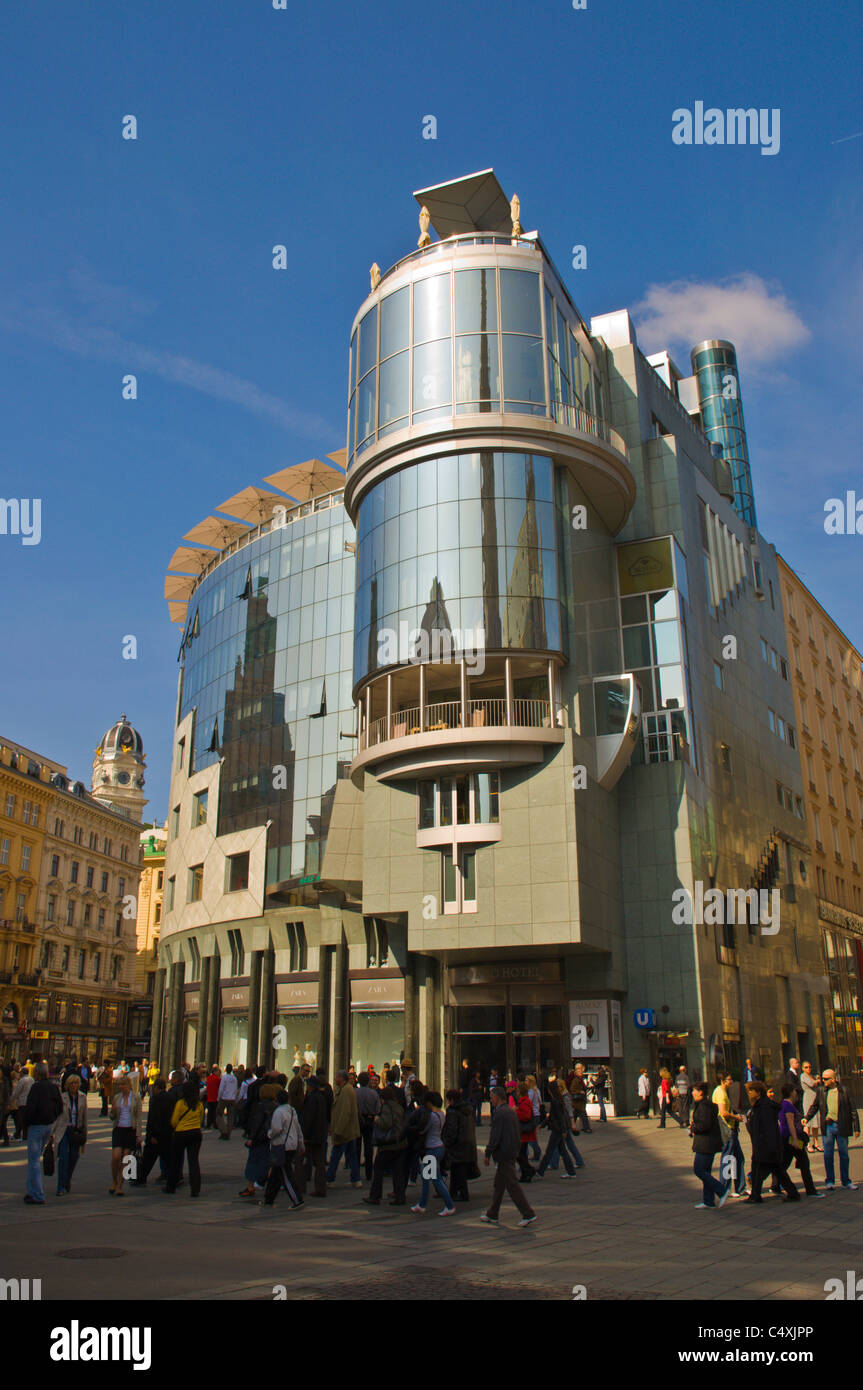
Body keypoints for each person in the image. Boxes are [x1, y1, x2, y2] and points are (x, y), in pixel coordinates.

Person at [480, 1086, 537, 1227]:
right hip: (511, 1150)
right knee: (499, 1184)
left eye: (492, 1097)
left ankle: (528, 1213)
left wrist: (488, 1153)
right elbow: (517, 1132)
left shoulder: (499, 1113)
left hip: (504, 1153)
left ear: (497, 1097)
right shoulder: (511, 1111)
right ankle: (492, 1213)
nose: (491, 1100)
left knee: (512, 1184)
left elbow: (495, 1135)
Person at [804, 1068, 859, 1190]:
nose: (823, 1081)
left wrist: (856, 1128)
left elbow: (853, 1109)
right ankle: (830, 1181)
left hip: (841, 1125)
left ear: (833, 1079)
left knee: (844, 1154)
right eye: (822, 1078)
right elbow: (815, 1106)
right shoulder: (821, 1091)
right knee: (828, 1155)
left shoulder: (844, 1091)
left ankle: (846, 1181)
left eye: (826, 1079)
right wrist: (806, 1118)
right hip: (828, 1127)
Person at [744, 1081, 800, 1203]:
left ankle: (756, 1196)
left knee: (762, 1170)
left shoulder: (764, 1107)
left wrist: (770, 1147)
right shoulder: (760, 1105)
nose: (748, 1094)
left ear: (758, 1092)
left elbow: (768, 1128)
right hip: (765, 1145)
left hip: (767, 1146)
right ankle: (791, 1193)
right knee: (776, 1171)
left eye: (750, 1091)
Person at [22, 1062, 62, 1205]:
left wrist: (26, 1123)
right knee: (34, 1159)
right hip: (48, 1125)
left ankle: (37, 1194)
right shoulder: (53, 1087)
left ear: (37, 1073)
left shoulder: (36, 1088)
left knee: (33, 1161)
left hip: (36, 1126)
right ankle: (31, 1190)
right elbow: (60, 1106)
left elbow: (30, 1108)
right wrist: (52, 1119)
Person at [411, 1091, 455, 1216]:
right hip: (439, 1146)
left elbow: (423, 1129)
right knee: (426, 1177)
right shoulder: (441, 1114)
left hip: (431, 1148)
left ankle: (449, 1205)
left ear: (429, 1103)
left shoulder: (431, 1116)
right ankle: (422, 1204)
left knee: (435, 1179)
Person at [363, 1085, 408, 1206]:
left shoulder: (387, 1107)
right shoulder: (398, 1106)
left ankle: (375, 1195)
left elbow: (386, 1123)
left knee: (378, 1169)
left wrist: (377, 1119)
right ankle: (400, 1196)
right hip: (400, 1142)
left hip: (388, 1144)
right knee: (398, 1171)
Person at [259, 1089, 304, 1210]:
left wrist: (269, 1134)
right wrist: (301, 1144)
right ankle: (269, 1199)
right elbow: (298, 1128)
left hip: (282, 1146)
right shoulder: (292, 1110)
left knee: (285, 1174)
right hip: (292, 1144)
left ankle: (297, 1200)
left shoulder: (278, 1112)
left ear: (277, 1100)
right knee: (276, 1173)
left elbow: (277, 1129)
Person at [689, 1081, 729, 1209]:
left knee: (699, 1170)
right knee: (706, 1171)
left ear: (701, 1092)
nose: (692, 1093)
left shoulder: (704, 1106)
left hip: (706, 1144)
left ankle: (721, 1191)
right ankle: (708, 1201)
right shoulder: (702, 1105)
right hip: (707, 1143)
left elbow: (704, 1125)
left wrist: (693, 1127)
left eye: (694, 1090)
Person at [779, 1082, 822, 1198]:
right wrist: (795, 1139)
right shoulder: (787, 1105)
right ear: (791, 1092)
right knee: (800, 1164)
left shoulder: (786, 1104)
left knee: (785, 1164)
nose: (796, 1093)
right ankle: (810, 1190)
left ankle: (777, 1185)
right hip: (791, 1139)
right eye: (794, 1091)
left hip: (790, 1139)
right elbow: (790, 1124)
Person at [164, 1078, 204, 1197]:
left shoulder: (180, 1103)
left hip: (181, 1133)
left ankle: (171, 1186)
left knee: (175, 1161)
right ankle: (195, 1189)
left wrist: (176, 1127)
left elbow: (174, 1120)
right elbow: (201, 1119)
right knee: (193, 1162)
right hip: (196, 1133)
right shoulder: (199, 1104)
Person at [132, 1077, 173, 1186]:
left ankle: (141, 1178)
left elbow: (154, 1118)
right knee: (168, 1158)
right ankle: (174, 1178)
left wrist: (153, 1134)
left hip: (155, 1134)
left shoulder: (155, 1099)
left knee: (148, 1158)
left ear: (156, 1087)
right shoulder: (170, 1097)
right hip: (167, 1133)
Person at [52, 1072, 88, 1196]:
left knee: (74, 1157)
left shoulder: (82, 1097)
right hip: (64, 1129)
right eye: (72, 1083)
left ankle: (67, 1180)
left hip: (76, 1130)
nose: (74, 1085)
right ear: (67, 1085)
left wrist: (85, 1134)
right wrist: (52, 1133)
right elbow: (56, 1116)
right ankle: (60, 1186)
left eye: (76, 1083)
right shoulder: (62, 1097)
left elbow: (85, 1117)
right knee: (63, 1158)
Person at [712, 1073, 748, 1198]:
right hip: (727, 1129)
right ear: (722, 1081)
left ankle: (740, 1187)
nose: (731, 1081)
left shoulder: (722, 1091)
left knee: (739, 1158)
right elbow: (723, 1113)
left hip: (731, 1128)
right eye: (729, 1079)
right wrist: (736, 1117)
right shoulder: (720, 1093)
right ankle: (724, 1188)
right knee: (727, 1158)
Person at [326, 1070, 362, 1187]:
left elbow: (345, 1112)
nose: (335, 1078)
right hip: (348, 1129)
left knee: (336, 1154)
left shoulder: (346, 1090)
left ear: (341, 1078)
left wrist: (338, 1129)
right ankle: (356, 1179)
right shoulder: (343, 1089)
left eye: (336, 1076)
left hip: (345, 1130)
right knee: (351, 1155)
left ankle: (330, 1178)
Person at [534, 1080, 577, 1179]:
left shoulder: (555, 1101)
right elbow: (553, 1116)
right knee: (563, 1151)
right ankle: (571, 1171)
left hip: (557, 1130)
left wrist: (563, 1130)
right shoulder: (558, 1100)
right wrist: (543, 1124)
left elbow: (559, 1117)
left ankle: (540, 1171)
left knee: (550, 1151)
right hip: (559, 1129)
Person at [109, 1073, 142, 1196]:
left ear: (128, 1085)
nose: (121, 1087)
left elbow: (138, 1117)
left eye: (123, 1084)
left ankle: (119, 1185)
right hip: (118, 1128)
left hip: (130, 1129)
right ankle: (114, 1180)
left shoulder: (136, 1097)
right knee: (116, 1156)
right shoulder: (117, 1097)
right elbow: (111, 1117)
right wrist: (112, 1111)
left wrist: (139, 1134)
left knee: (125, 1158)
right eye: (119, 1085)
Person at [442, 1087, 477, 1201]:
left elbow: (452, 1130)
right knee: (459, 1168)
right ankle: (455, 1191)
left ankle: (462, 1193)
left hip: (457, 1144)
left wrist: (447, 1142)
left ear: (451, 1100)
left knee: (457, 1169)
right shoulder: (468, 1109)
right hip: (468, 1141)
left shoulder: (453, 1111)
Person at [300, 1074, 329, 1198]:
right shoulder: (322, 1097)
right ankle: (321, 1187)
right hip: (320, 1134)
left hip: (312, 1135)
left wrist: (304, 1134)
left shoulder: (311, 1098)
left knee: (302, 1160)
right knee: (319, 1163)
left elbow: (308, 1118)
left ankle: (301, 1185)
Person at [356, 1072, 381, 1180]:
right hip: (370, 1120)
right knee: (369, 1147)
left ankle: (355, 1174)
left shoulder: (354, 1092)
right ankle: (369, 1173)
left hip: (357, 1120)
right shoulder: (374, 1093)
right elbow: (378, 1109)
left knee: (356, 1147)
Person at [800, 1062, 821, 1151]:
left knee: (815, 1122)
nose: (808, 1069)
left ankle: (816, 1143)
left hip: (814, 1098)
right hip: (808, 1098)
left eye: (809, 1067)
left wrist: (816, 1080)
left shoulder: (811, 1076)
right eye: (806, 1067)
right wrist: (816, 1081)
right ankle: (807, 1144)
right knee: (807, 1122)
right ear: (803, 1068)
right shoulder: (803, 1076)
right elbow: (812, 1084)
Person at [10, 1064, 33, 1141]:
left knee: (22, 1120)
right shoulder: (31, 1079)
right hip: (30, 1102)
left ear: (22, 1073)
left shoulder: (22, 1080)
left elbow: (17, 1092)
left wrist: (11, 1100)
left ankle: (20, 1135)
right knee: (27, 1120)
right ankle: (26, 1135)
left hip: (22, 1102)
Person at [216, 1063, 238, 1139]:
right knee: (230, 1116)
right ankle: (228, 1132)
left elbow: (221, 1088)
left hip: (224, 1098)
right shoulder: (234, 1078)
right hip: (232, 1098)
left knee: (219, 1114)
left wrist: (219, 1097)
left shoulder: (224, 1078)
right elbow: (235, 1089)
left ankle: (223, 1130)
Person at [525, 1074, 543, 1159]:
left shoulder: (531, 1092)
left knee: (529, 1135)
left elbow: (528, 1102)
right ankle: (537, 1152)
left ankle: (537, 1151)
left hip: (532, 1114)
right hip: (537, 1114)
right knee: (531, 1135)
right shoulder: (537, 1090)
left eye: (526, 1080)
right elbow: (540, 1102)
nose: (525, 1082)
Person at [570, 1065, 592, 1133]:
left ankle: (570, 1126)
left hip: (580, 1101)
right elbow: (572, 1089)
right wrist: (579, 1091)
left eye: (581, 1073)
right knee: (583, 1115)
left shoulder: (580, 1080)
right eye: (580, 1073)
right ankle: (586, 1127)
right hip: (578, 1101)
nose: (581, 1074)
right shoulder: (575, 1080)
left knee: (575, 1115)